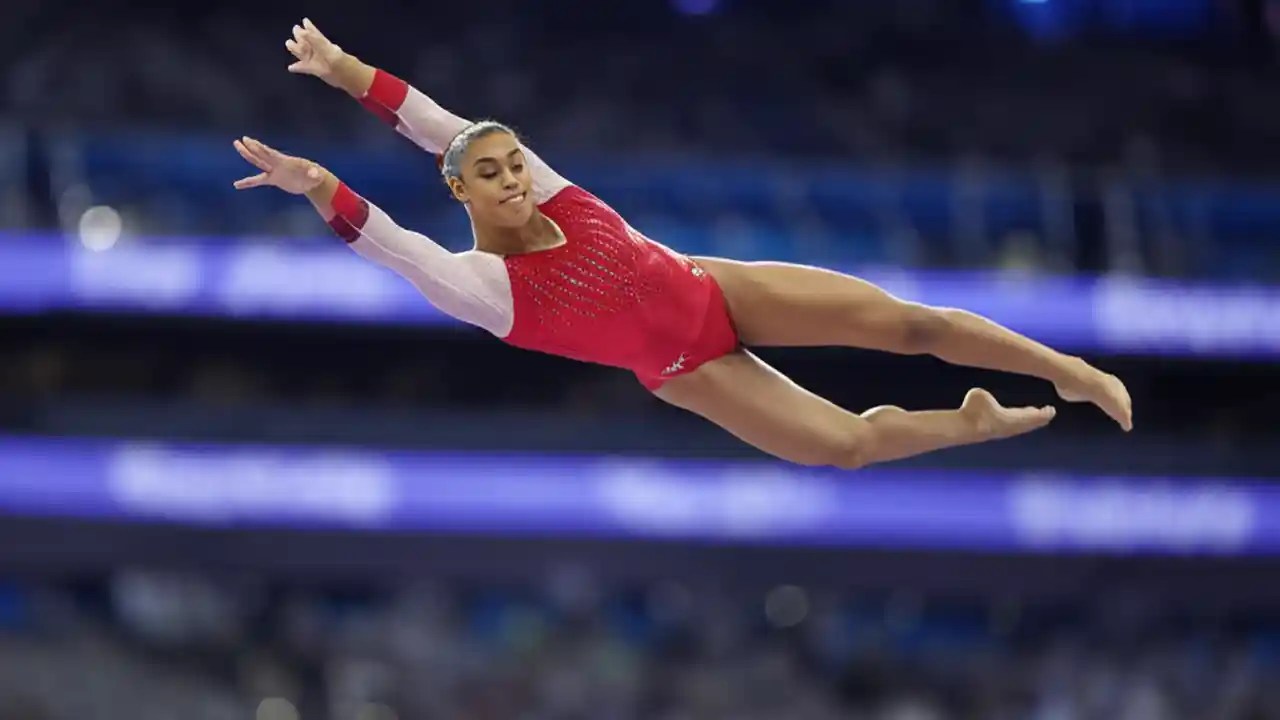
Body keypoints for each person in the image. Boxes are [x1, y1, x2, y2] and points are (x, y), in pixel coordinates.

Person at [231, 18, 1132, 470]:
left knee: (910, 324)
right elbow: (390, 243)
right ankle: (970, 422)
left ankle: (1067, 368)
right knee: (846, 448)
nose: (512, 177)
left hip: (719, 290)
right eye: (492, 172)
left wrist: (345, 71)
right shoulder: (482, 286)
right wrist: (318, 186)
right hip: (687, 370)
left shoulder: (550, 187)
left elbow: (434, 121)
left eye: (515, 162)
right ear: (460, 190)